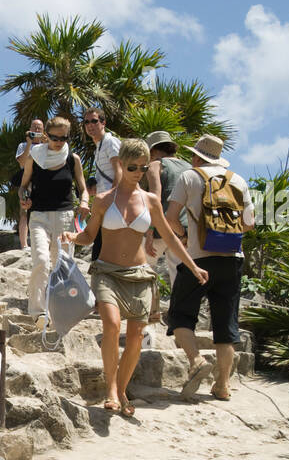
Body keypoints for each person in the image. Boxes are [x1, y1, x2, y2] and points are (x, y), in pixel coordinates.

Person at [64, 138, 208, 417]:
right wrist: (73, 236)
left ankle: (121, 388)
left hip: (140, 276)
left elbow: (170, 237)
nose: (139, 173)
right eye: (133, 167)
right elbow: (90, 235)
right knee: (111, 325)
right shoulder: (104, 200)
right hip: (107, 272)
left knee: (136, 337)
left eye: (143, 168)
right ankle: (110, 390)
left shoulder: (151, 201)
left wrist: (192, 266)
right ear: (121, 165)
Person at [162, 134, 255, 402]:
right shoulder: (237, 180)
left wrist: (185, 237)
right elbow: (249, 222)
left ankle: (196, 360)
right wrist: (225, 233)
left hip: (197, 258)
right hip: (232, 258)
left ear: (196, 156)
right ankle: (223, 385)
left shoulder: (190, 177)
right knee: (226, 325)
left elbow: (170, 217)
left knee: (180, 315)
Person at [18, 116, 89, 329]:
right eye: (55, 137)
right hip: (39, 215)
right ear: (47, 136)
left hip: (66, 217)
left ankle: (60, 310)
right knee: (41, 259)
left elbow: (83, 187)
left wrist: (85, 202)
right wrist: (24, 198)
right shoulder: (35, 157)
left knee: (62, 265)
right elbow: (23, 186)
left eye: (64, 137)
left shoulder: (72, 159)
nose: (59, 141)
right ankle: (38, 312)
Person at [140, 130, 193, 316]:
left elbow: (155, 197)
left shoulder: (156, 165)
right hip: (185, 231)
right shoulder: (189, 167)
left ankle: (149, 314)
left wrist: (149, 230)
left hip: (161, 228)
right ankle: (181, 321)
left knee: (145, 269)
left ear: (152, 151)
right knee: (178, 276)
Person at [82, 107, 121, 262]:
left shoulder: (110, 142)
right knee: (100, 252)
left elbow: (120, 171)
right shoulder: (100, 145)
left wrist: (112, 197)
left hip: (113, 204)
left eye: (94, 121)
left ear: (103, 122)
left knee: (104, 252)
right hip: (104, 204)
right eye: (86, 122)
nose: (90, 125)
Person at [14, 119, 46, 248]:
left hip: (43, 181)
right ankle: (24, 245)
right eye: (34, 127)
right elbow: (22, 162)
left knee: (44, 212)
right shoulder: (23, 145)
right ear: (30, 129)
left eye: (39, 128)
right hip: (27, 181)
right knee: (24, 212)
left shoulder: (47, 145)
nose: (37, 130)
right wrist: (29, 143)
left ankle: (43, 244)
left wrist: (46, 141)